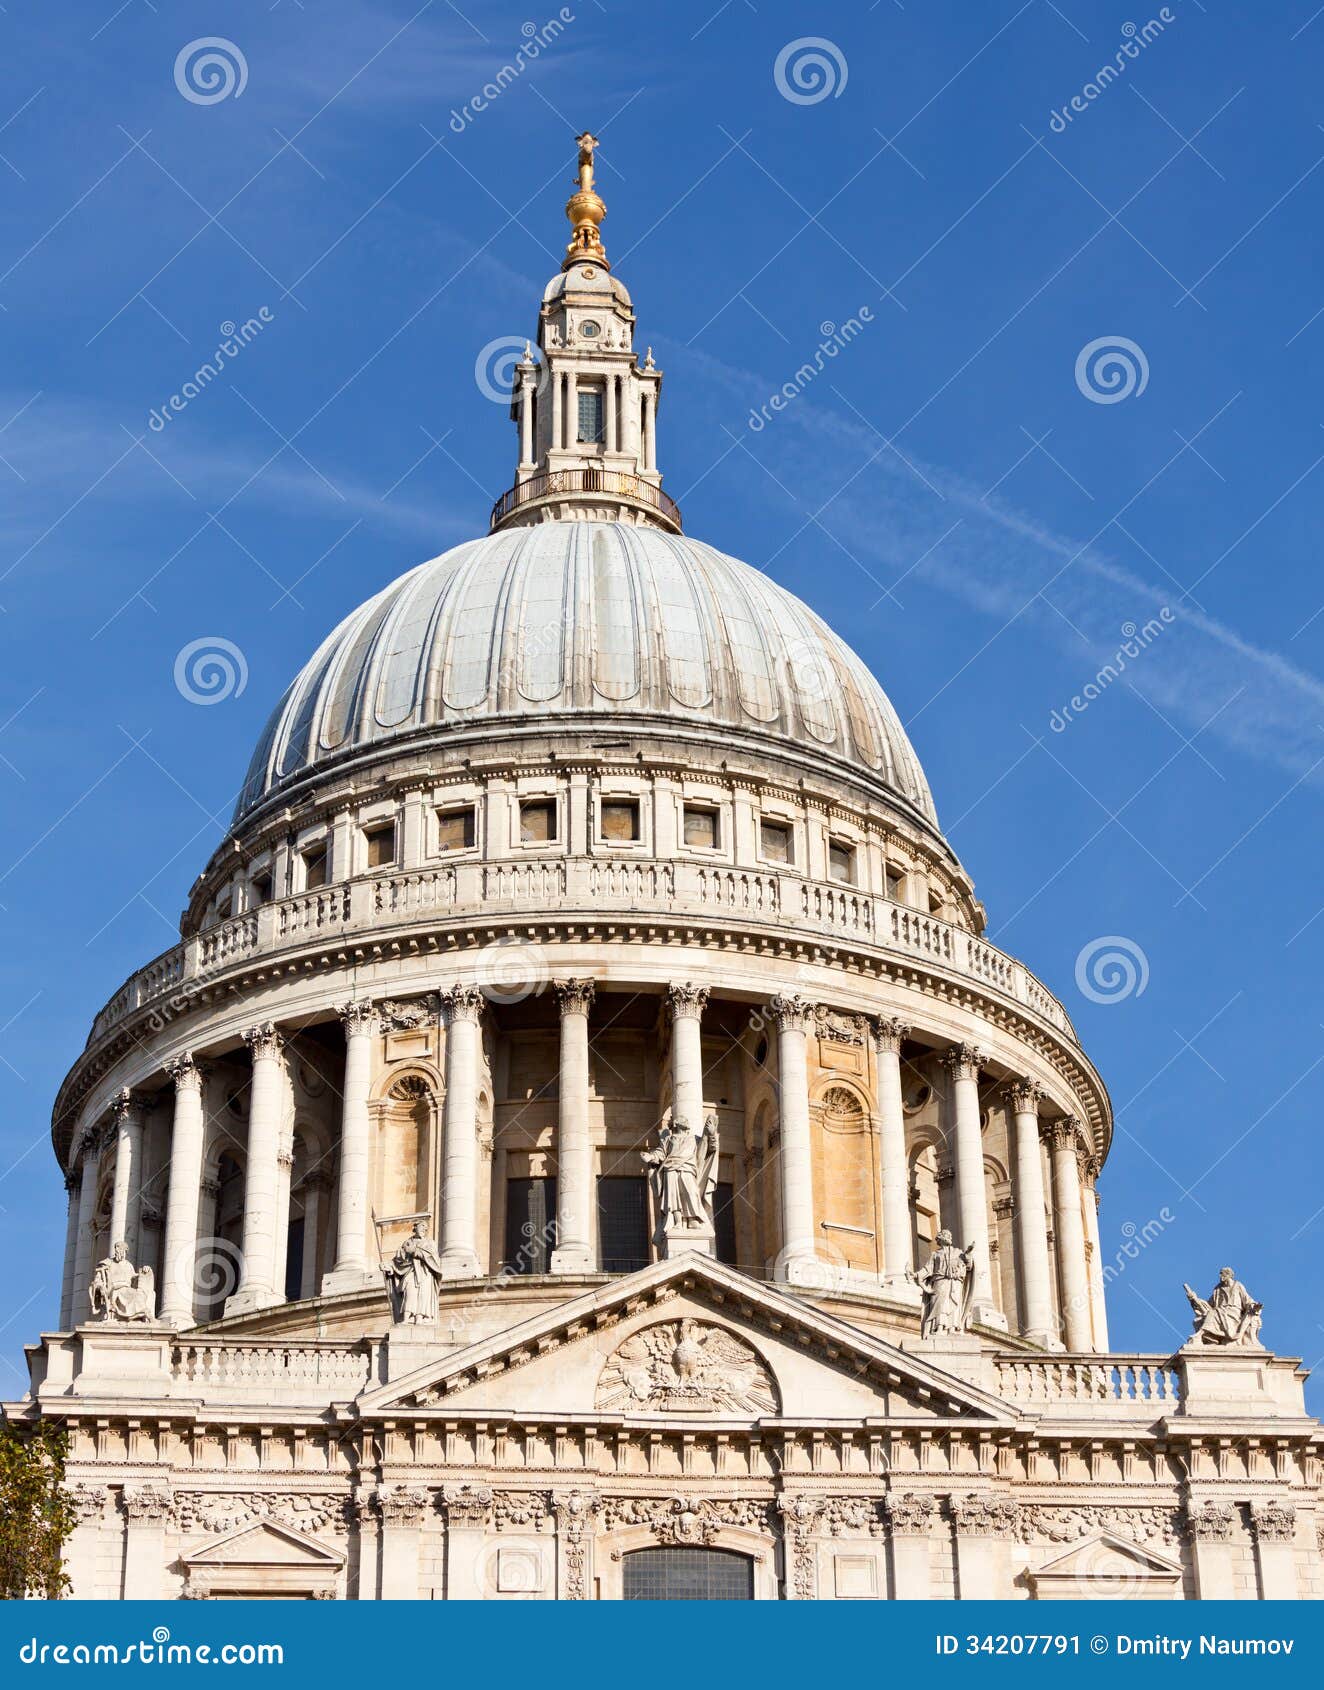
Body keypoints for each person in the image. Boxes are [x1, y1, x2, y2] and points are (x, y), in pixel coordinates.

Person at [913, 1230, 976, 1338]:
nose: (949, 1237)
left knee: (954, 1304)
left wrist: (968, 1253)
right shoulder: (935, 1254)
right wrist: (915, 1275)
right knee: (940, 1305)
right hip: (939, 1281)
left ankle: (952, 1328)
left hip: (955, 1282)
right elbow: (927, 1269)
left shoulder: (958, 1252)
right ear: (940, 1238)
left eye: (950, 1235)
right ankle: (939, 1328)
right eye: (946, 1235)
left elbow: (968, 1265)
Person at [1184, 1267, 1263, 1348]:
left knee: (1214, 1313)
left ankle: (1200, 1334)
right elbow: (1208, 1304)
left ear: (1229, 1275)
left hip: (1233, 1312)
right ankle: (1207, 1336)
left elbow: (1247, 1300)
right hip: (1220, 1311)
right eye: (1220, 1273)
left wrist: (1254, 1306)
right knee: (1211, 1313)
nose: (1220, 1275)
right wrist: (1195, 1299)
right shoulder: (1218, 1289)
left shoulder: (1238, 1285)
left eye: (1222, 1273)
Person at [384, 1220, 444, 1324]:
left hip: (426, 1273)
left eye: (425, 1227)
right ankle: (406, 1318)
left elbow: (435, 1259)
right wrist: (389, 1266)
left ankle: (419, 1318)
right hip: (411, 1271)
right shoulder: (407, 1243)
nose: (424, 1229)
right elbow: (399, 1260)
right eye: (421, 1226)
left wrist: (417, 1252)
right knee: (410, 1293)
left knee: (423, 1295)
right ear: (415, 1228)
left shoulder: (430, 1242)